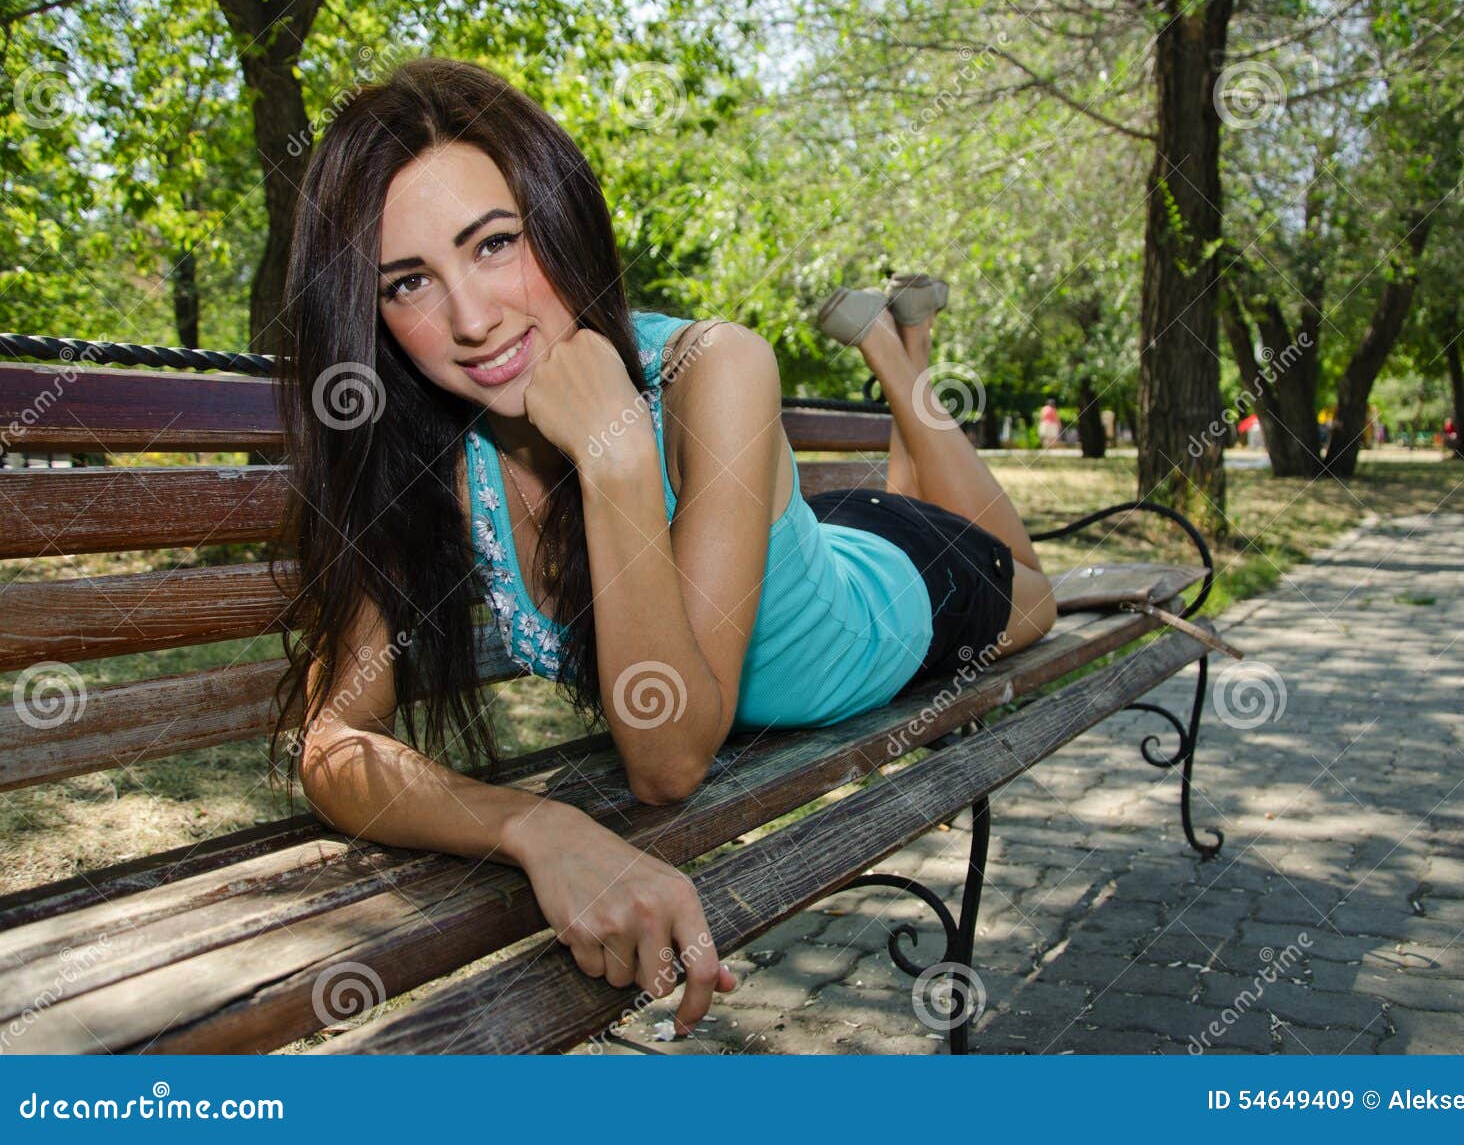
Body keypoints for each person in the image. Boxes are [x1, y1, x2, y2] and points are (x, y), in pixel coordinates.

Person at [272, 57, 1059, 1037]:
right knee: (902, 507)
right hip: (825, 545)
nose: (471, 320)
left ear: (560, 217)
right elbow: (333, 741)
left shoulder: (714, 365)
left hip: (917, 592)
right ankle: (905, 342)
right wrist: (534, 826)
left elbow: (669, 761)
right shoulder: (424, 448)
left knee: (1037, 586)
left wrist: (614, 456)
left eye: (495, 244)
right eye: (408, 283)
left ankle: (900, 359)